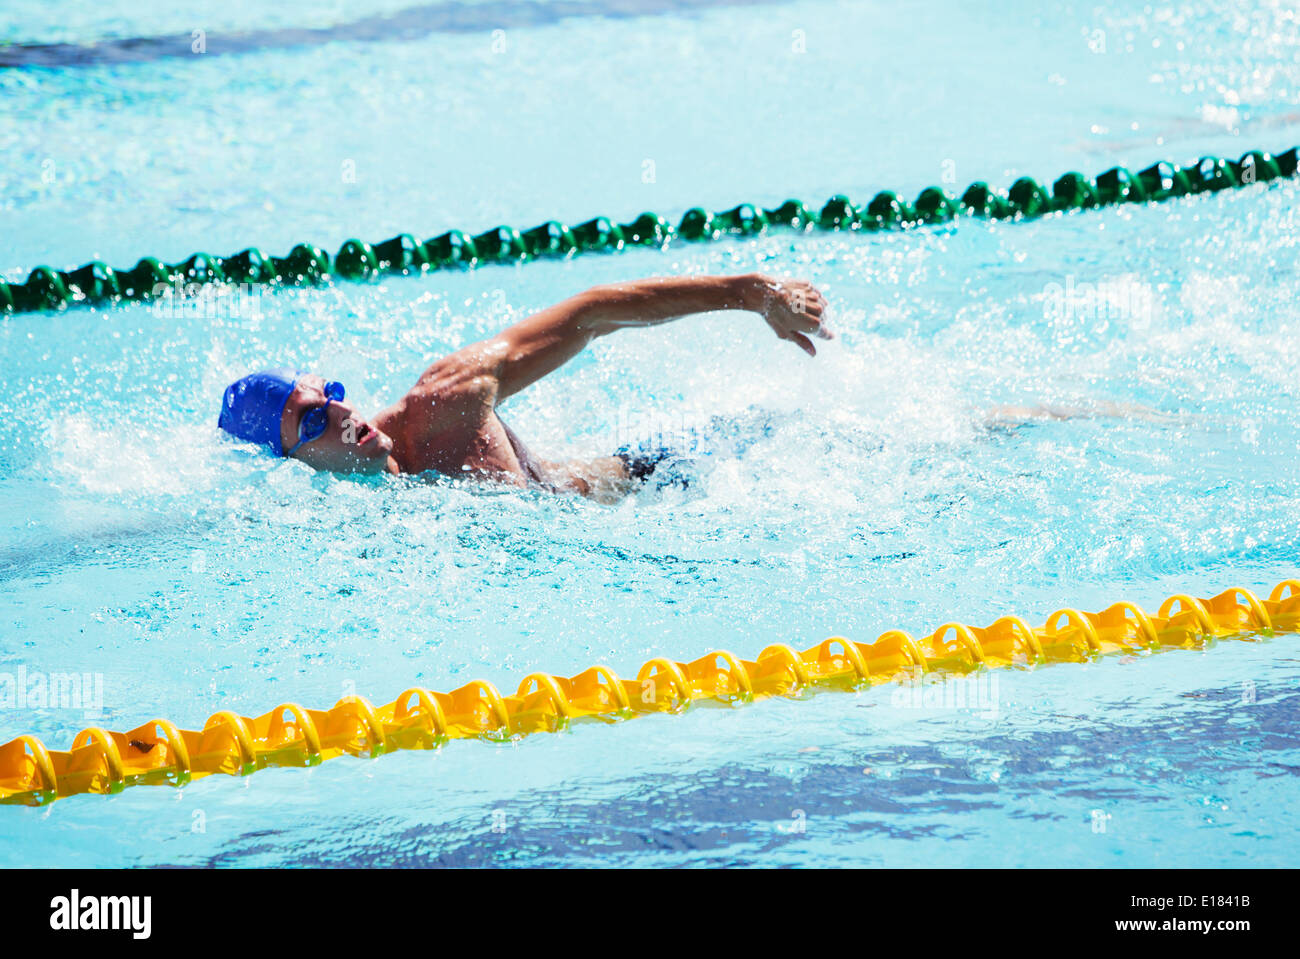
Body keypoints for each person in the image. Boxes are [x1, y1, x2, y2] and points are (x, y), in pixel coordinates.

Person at [217, 273, 831, 499]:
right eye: (313, 420)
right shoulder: (344, 520)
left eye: (328, 394)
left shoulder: (446, 401)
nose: (341, 413)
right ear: (290, 463)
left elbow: (590, 313)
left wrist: (749, 295)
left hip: (670, 476)